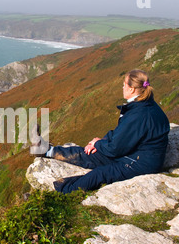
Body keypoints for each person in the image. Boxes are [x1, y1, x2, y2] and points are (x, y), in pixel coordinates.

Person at [32, 69, 170, 194]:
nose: (122, 87)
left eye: (124, 84)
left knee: (99, 174)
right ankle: (46, 151)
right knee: (88, 152)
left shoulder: (139, 114)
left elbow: (116, 148)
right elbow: (122, 133)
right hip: (132, 153)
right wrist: (100, 141)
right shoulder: (143, 105)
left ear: (132, 89)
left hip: (141, 163)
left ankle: (54, 193)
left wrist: (99, 145)